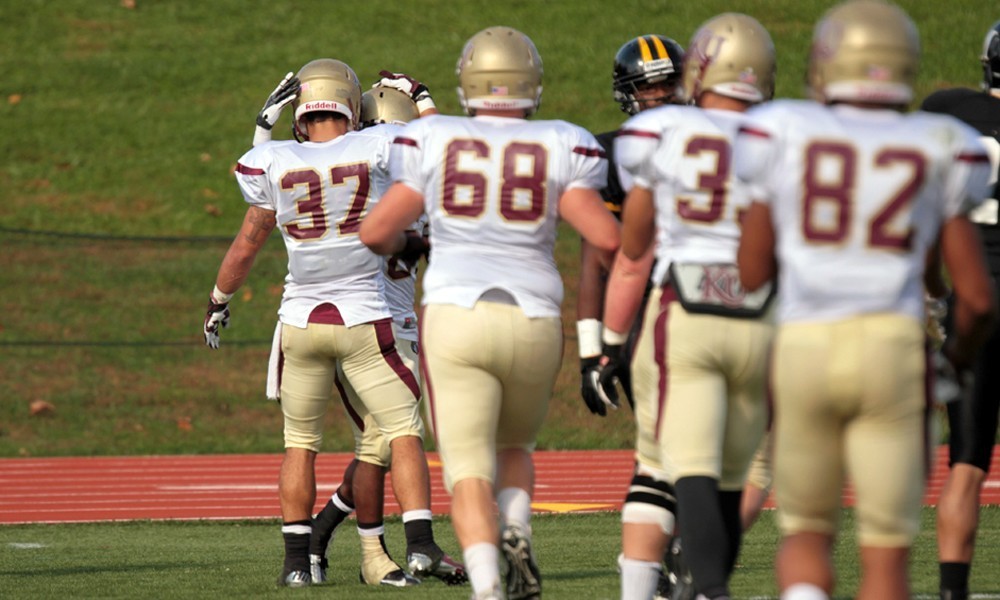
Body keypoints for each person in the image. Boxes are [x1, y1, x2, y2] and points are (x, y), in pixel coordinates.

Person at [734, 2, 997, 598]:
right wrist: (952, 362)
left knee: (804, 534)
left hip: (806, 345)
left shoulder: (783, 130)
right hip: (893, 348)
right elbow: (975, 298)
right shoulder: (939, 144)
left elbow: (750, 271)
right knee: (885, 557)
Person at [359, 25, 621, 600]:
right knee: (514, 451)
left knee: (468, 468)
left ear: (467, 82)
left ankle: (486, 586)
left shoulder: (436, 141)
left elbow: (376, 230)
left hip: (456, 313)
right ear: (534, 85)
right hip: (533, 316)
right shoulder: (562, 142)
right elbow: (605, 236)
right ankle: (518, 532)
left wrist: (411, 246)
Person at [203, 58, 453, 588]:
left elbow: (256, 180)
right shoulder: (381, 155)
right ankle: (418, 541)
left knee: (300, 442)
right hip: (369, 316)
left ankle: (298, 562)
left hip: (299, 319)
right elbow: (441, 147)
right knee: (402, 432)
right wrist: (424, 97)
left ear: (301, 109)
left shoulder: (273, 157)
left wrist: (263, 125)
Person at [593, 13, 776, 600]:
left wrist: (609, 345)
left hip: (683, 311)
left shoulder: (657, 140)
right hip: (764, 316)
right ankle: (702, 581)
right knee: (743, 470)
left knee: (665, 463)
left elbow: (630, 255)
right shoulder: (793, 136)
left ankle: (687, 586)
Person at [576, 34, 688, 600]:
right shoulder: (613, 152)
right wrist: (594, 344)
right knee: (671, 450)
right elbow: (601, 259)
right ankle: (676, 555)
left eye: (668, 82)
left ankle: (674, 555)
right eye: (649, 85)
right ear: (629, 93)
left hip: (682, 311)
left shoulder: (714, 141)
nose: (661, 94)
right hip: (646, 320)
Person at [920, 19, 1000, 600]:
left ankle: (953, 592)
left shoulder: (947, 111)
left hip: (974, 307)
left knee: (967, 464)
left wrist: (931, 295)